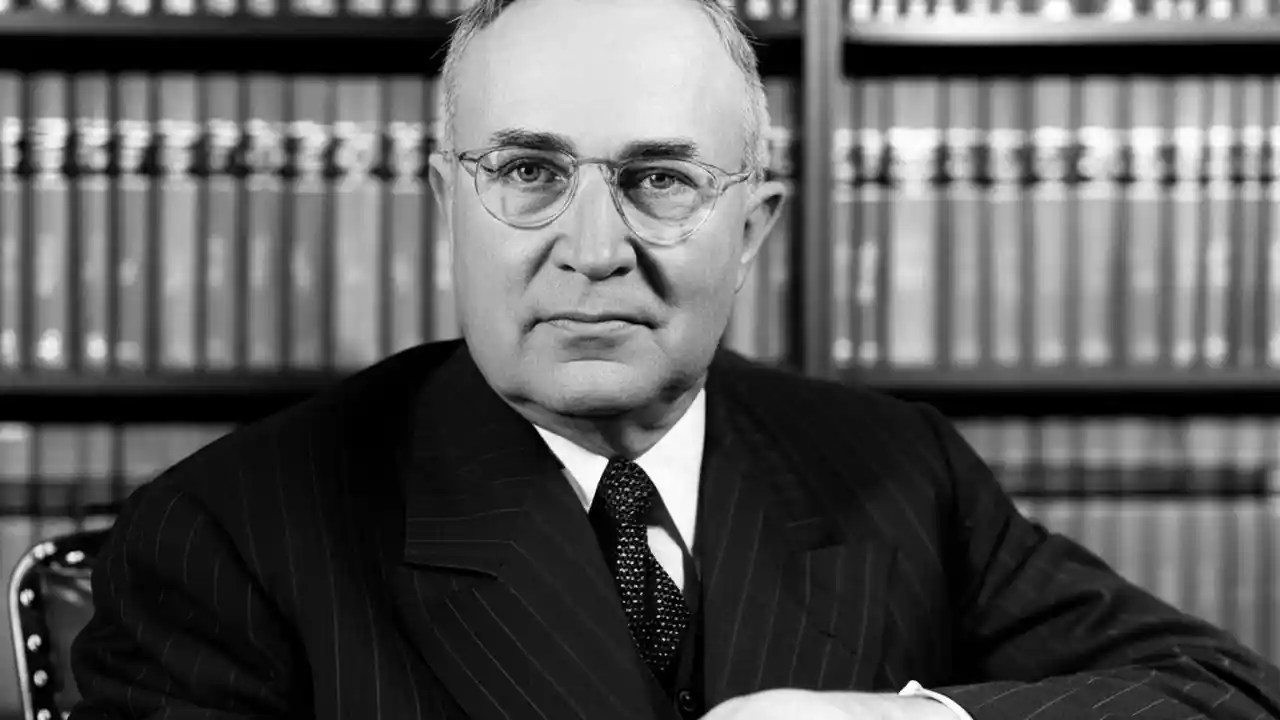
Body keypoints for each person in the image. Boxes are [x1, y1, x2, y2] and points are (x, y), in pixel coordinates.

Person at [67, 0, 1280, 718]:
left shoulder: (894, 468)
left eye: (657, 180)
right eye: (529, 175)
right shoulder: (225, 535)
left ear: (751, 227)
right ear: (447, 205)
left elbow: (1220, 695)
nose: (592, 251)